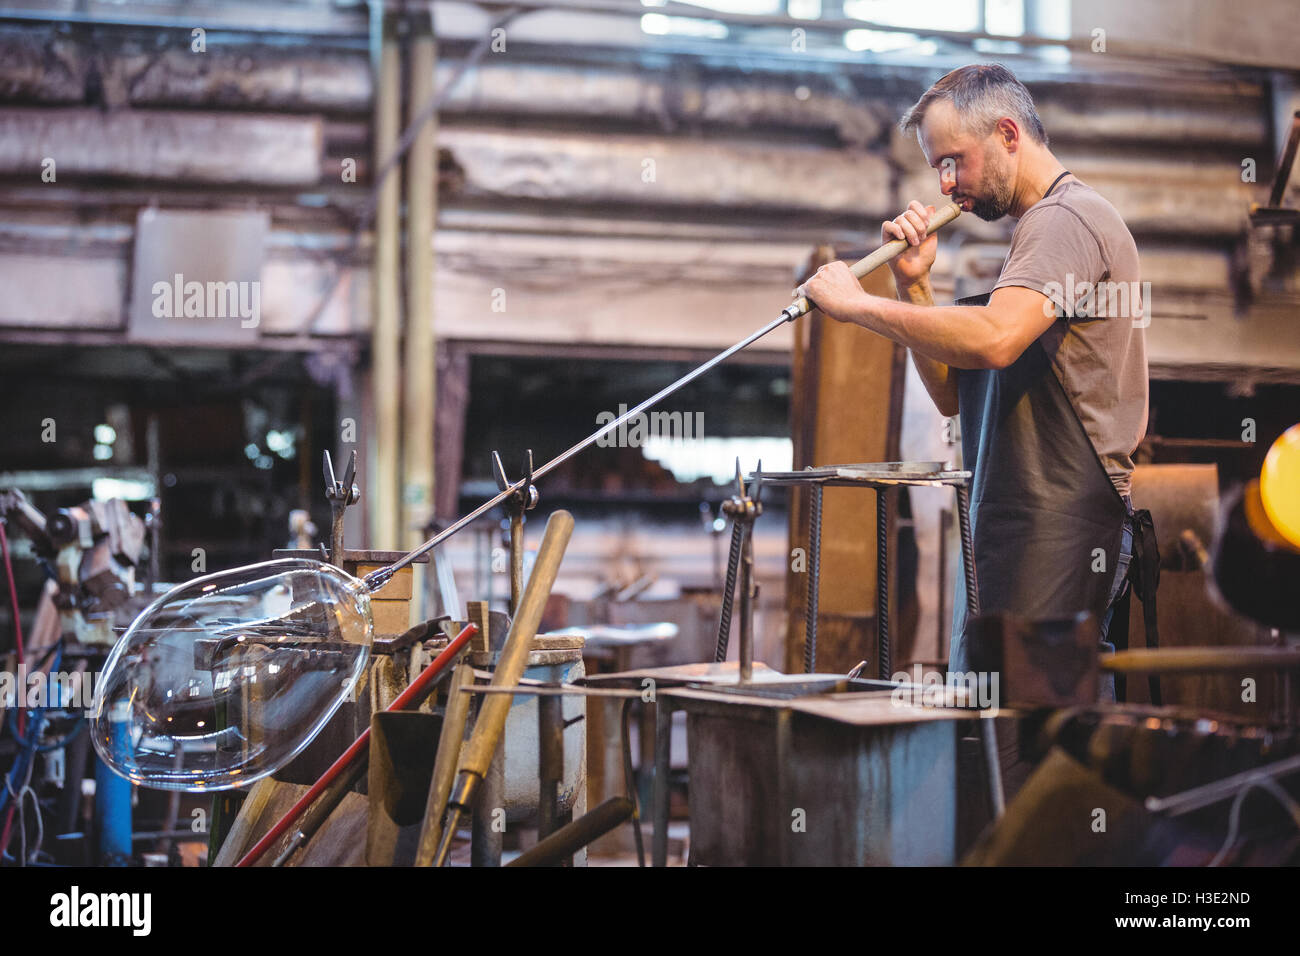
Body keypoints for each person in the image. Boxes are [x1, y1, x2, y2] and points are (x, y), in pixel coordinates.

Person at [796, 64, 1151, 689]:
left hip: (1061, 531)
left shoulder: (1064, 221)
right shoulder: (1038, 234)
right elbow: (952, 394)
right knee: (992, 739)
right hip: (1016, 530)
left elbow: (993, 340)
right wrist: (913, 282)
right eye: (937, 167)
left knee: (1027, 752)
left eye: (954, 160)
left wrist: (859, 305)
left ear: (1009, 135)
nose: (947, 183)